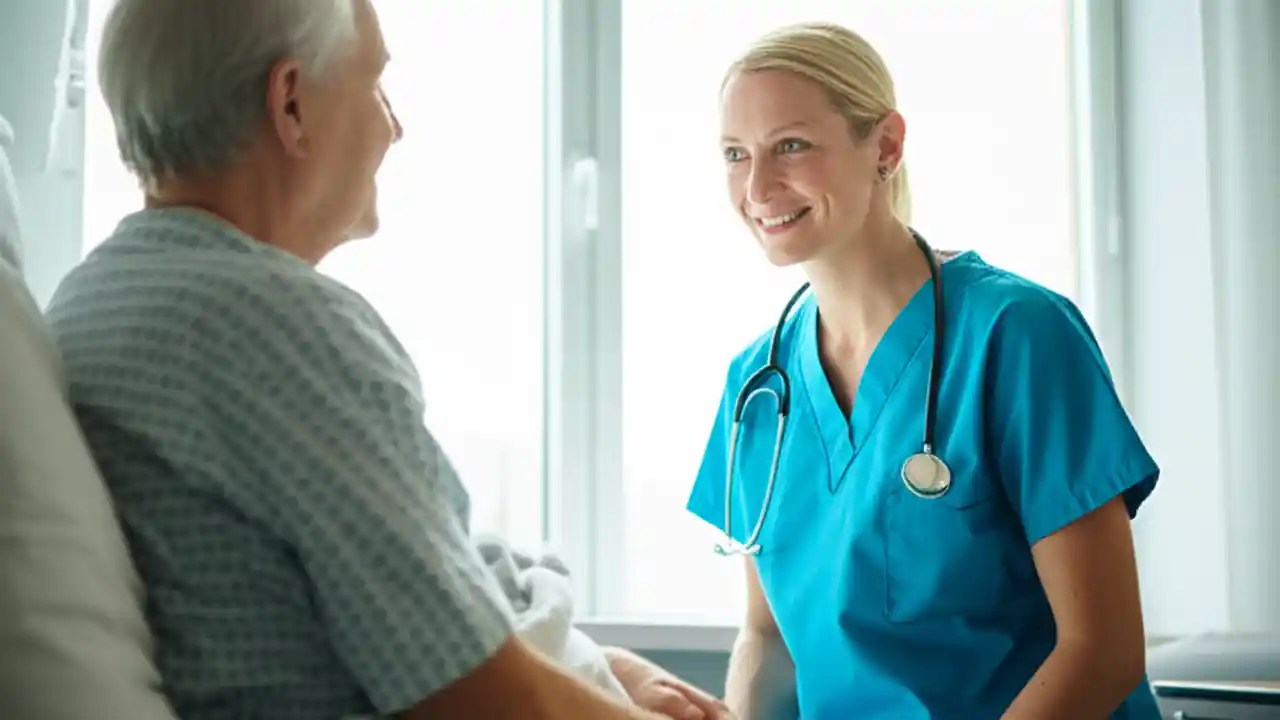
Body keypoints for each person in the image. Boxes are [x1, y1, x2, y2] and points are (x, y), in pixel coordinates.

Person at [45, 1, 729, 719]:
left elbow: (407, 609)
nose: (394, 127)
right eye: (375, 86)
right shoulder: (278, 326)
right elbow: (476, 695)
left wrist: (601, 665)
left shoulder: (92, 298)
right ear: (291, 104)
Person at [686, 22, 1160, 719]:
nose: (757, 185)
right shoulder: (757, 385)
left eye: (791, 145)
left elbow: (1102, 650)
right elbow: (769, 637)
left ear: (884, 145)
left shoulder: (1017, 336)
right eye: (735, 153)